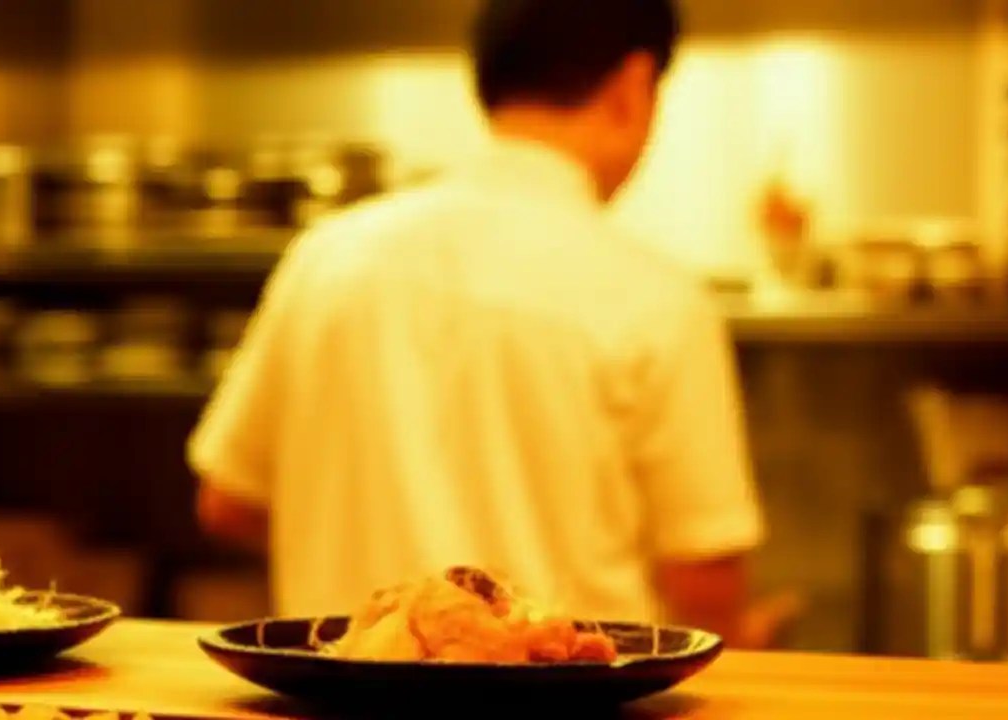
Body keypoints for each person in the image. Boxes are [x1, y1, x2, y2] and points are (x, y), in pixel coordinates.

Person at [188, 0, 767, 645]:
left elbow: (228, 502)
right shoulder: (656, 296)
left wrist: (351, 539)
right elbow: (706, 579)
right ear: (633, 88)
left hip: (334, 697)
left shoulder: (327, 258)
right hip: (562, 701)